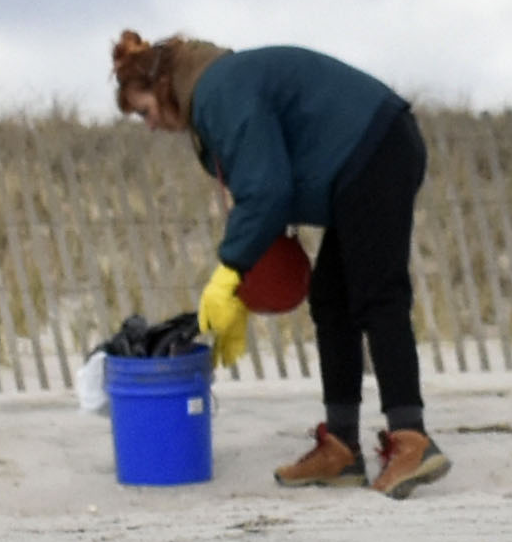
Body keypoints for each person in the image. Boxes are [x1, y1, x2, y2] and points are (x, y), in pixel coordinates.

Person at [113, 32, 446, 494]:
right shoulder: (215, 96)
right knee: (332, 302)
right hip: (356, 166)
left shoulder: (220, 91)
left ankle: (412, 439)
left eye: (145, 111)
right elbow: (264, 182)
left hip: (378, 147)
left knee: (377, 294)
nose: (149, 125)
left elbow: (267, 190)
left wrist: (229, 273)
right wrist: (246, 278)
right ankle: (342, 447)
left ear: (163, 85)